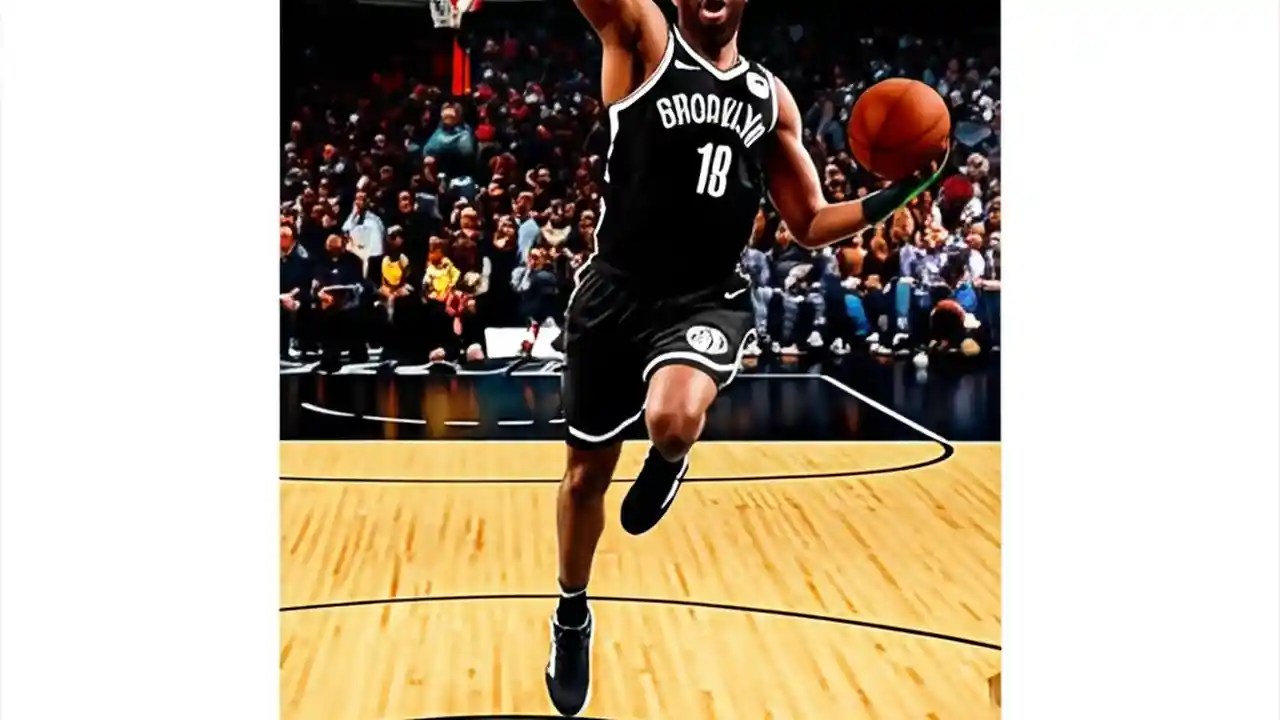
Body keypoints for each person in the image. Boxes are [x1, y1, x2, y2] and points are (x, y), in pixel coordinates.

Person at [546, 1, 947, 713]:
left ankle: (669, 460)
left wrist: (898, 193)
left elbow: (810, 222)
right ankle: (571, 611)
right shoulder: (641, 40)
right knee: (583, 483)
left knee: (671, 419)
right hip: (613, 294)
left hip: (704, 298)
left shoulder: (770, 98)